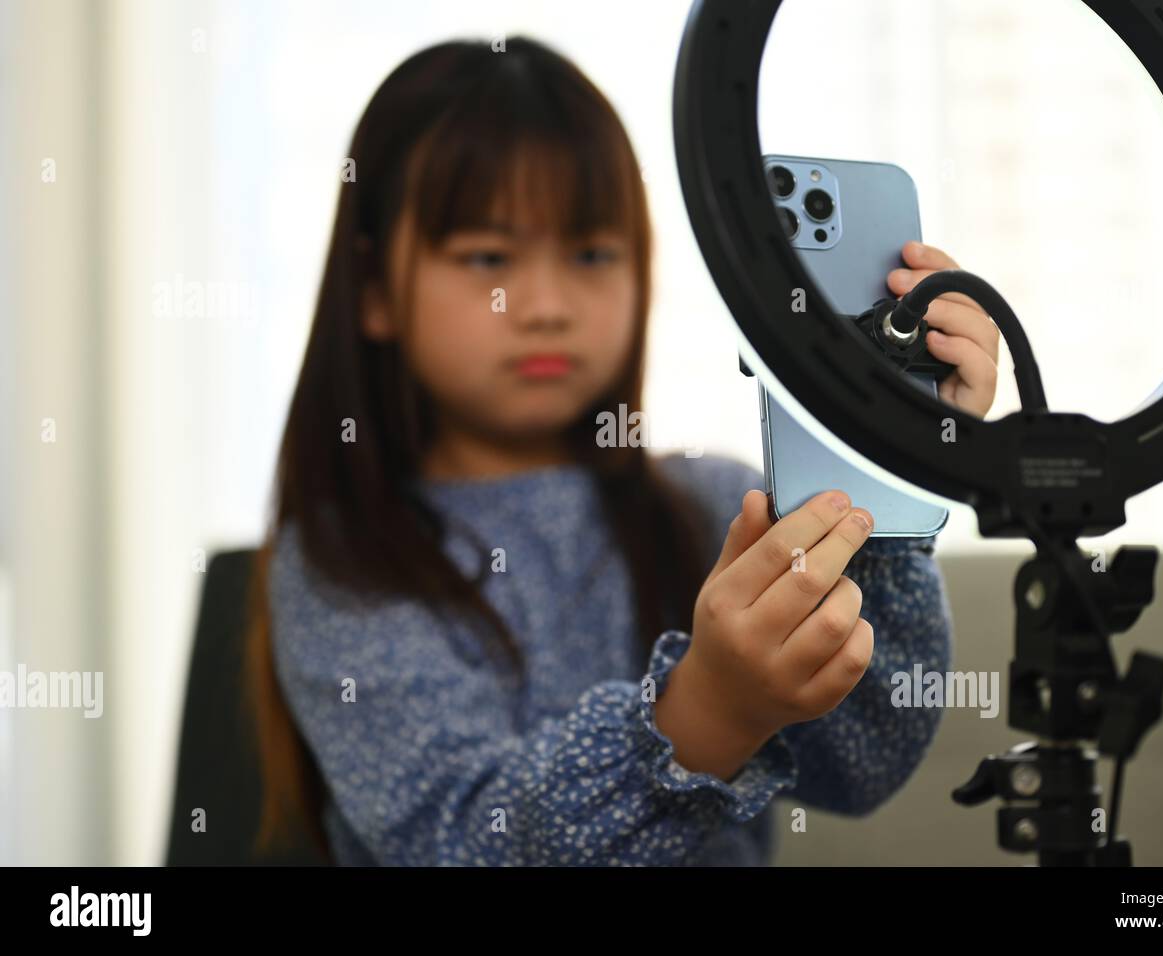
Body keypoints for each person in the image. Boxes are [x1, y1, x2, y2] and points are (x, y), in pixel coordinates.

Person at [244, 35, 999, 866]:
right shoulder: (344, 560)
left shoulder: (726, 508)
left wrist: (884, 452)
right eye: (488, 257)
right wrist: (706, 714)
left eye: (592, 254)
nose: (544, 305)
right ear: (376, 291)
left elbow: (860, 767)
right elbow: (456, 840)